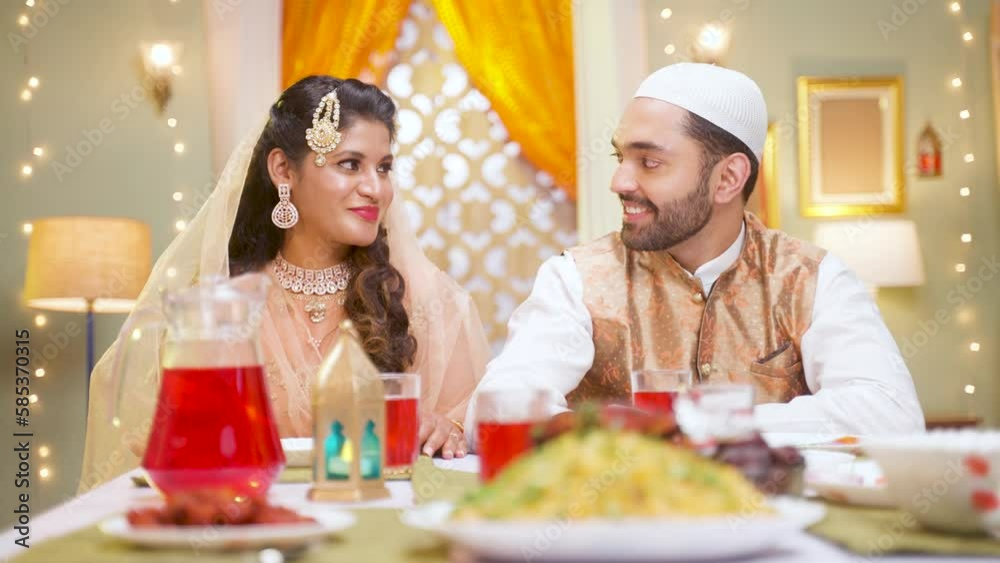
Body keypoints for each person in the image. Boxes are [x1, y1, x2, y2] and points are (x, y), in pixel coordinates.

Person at [466, 63, 924, 443]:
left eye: (649, 162)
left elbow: (890, 415)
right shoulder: (577, 279)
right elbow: (499, 407)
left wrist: (704, 424)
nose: (620, 182)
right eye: (620, 158)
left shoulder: (812, 278)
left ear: (727, 178)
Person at [80, 76, 489, 491]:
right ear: (282, 170)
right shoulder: (222, 306)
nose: (375, 188)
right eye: (350, 164)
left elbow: (462, 444)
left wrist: (448, 429)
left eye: (384, 168)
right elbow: (159, 441)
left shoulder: (431, 302)